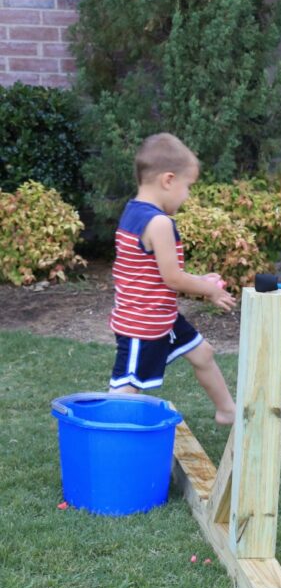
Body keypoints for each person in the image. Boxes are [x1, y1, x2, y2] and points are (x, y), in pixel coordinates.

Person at [108, 132, 236, 425]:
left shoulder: (133, 212)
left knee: (202, 352)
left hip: (161, 315)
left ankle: (227, 410)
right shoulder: (159, 223)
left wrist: (200, 278)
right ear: (168, 180)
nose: (187, 195)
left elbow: (156, 271)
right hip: (143, 323)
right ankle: (110, 434)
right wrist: (209, 290)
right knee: (127, 386)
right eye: (188, 186)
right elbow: (173, 279)